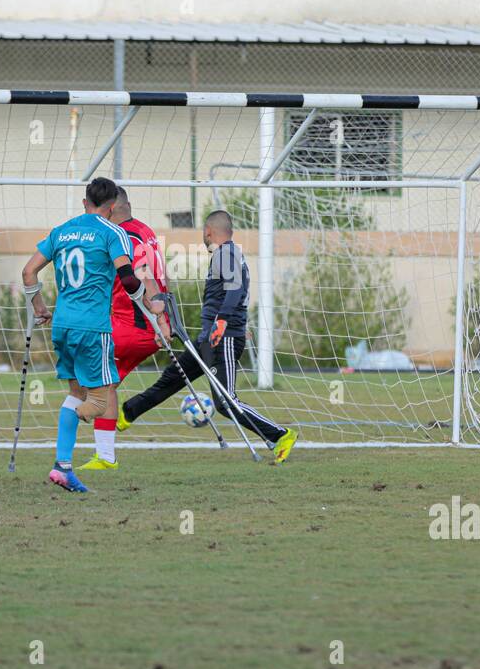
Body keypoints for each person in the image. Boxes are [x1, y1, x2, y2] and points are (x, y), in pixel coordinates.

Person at [117, 209, 298, 464]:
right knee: (173, 377)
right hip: (209, 338)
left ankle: (280, 436)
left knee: (224, 402)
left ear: (208, 232)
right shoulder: (228, 254)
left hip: (222, 338)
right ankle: (128, 412)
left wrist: (223, 321)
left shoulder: (227, 253)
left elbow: (235, 291)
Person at [20, 177, 165, 493]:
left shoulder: (61, 231)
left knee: (76, 393)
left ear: (85, 201)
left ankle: (63, 466)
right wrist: (150, 305)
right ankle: (74, 436)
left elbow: (29, 271)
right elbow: (128, 279)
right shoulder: (113, 232)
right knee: (99, 401)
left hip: (61, 325)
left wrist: (39, 307)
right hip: (93, 328)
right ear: (112, 207)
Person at [76, 187, 170, 471]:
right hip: (145, 324)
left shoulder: (124, 237)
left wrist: (160, 320)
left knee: (94, 383)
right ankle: (107, 449)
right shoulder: (145, 230)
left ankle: (104, 455)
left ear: (111, 208)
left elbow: (143, 275)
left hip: (134, 325)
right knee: (103, 383)